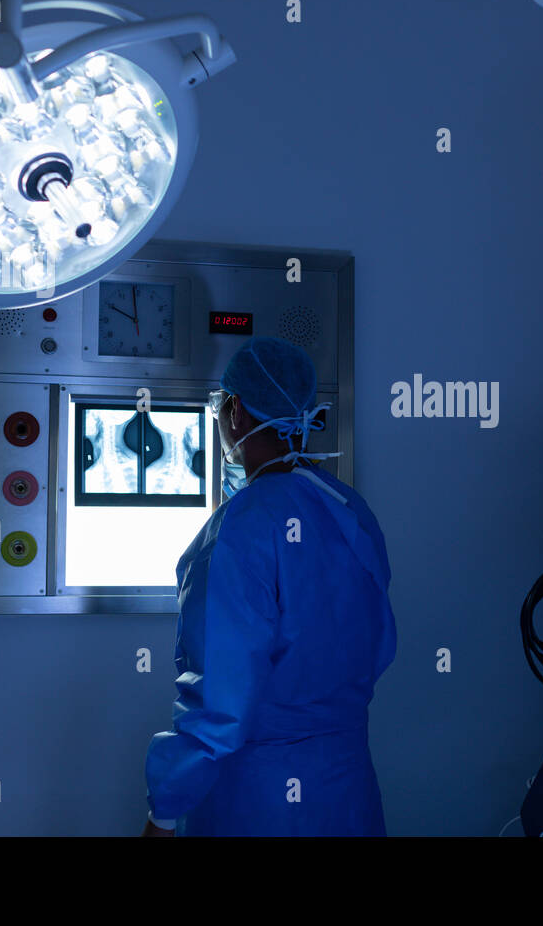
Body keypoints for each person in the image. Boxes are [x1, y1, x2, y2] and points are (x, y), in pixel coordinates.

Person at [142, 337, 396, 836]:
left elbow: (220, 696)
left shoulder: (240, 530)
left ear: (234, 411)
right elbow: (377, 645)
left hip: (261, 797)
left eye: (220, 406)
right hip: (346, 788)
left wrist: (164, 810)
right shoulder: (350, 511)